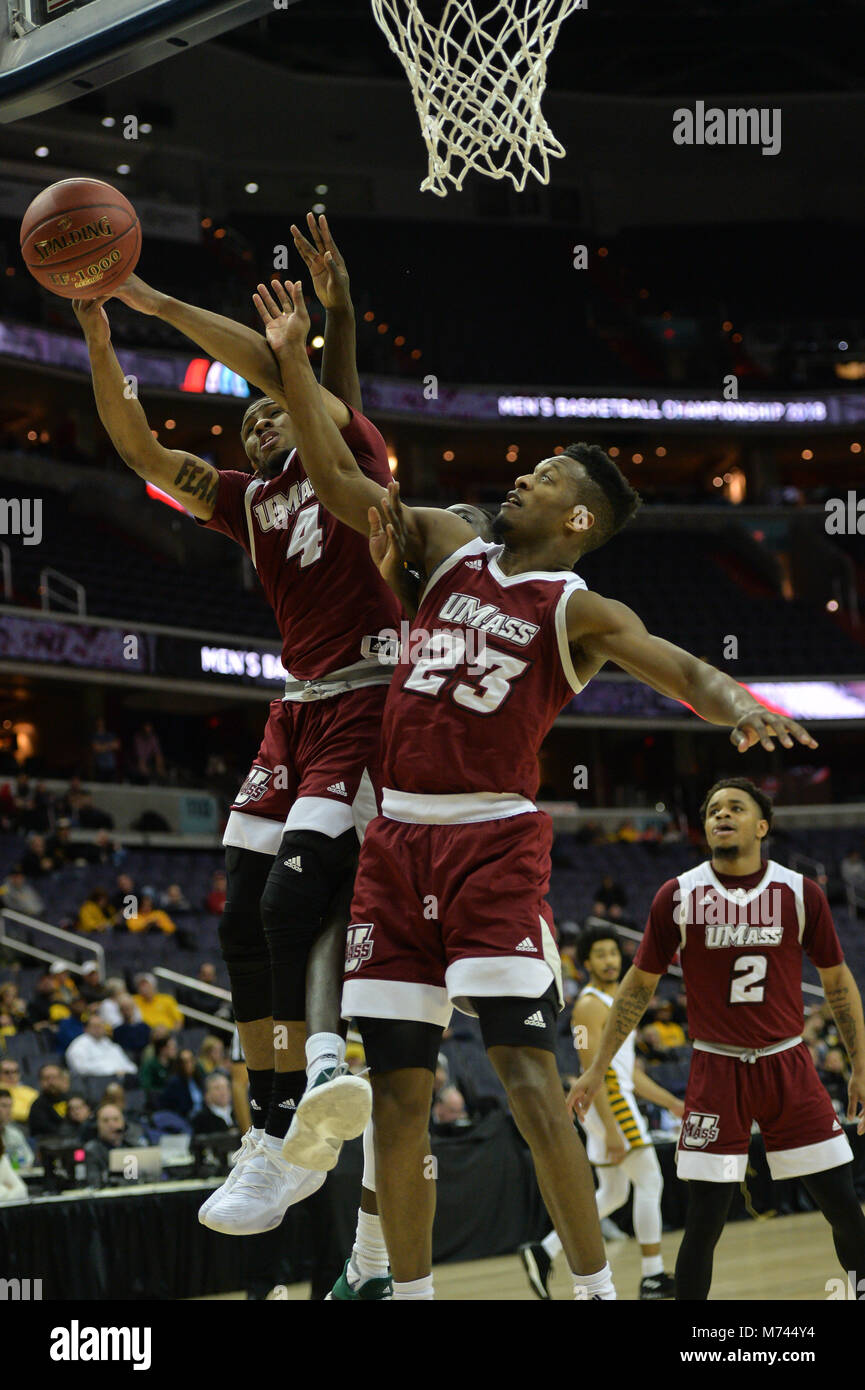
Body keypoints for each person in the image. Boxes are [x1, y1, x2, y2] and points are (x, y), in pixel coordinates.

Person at [255, 273, 820, 1300]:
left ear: (578, 518)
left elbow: (677, 666)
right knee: (397, 1096)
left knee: (526, 1083)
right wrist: (296, 357)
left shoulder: (577, 607)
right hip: (395, 846)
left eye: (548, 474)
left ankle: (597, 1292)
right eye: (530, 465)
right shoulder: (442, 547)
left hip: (489, 844)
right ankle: (411, 1294)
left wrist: (733, 702)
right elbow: (339, 482)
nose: (523, 477)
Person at [79, 214, 399, 1238]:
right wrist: (97, 335)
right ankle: (269, 1139)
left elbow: (289, 372)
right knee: (237, 919)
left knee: (294, 899)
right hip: (293, 714)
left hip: (366, 696)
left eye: (278, 406)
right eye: (250, 417)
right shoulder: (247, 502)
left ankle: (322, 1069)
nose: (264, 418)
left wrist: (153, 300)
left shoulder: (346, 455)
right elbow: (136, 445)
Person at [571, 778, 865, 1302]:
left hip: (787, 1065)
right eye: (712, 810)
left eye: (735, 808)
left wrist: (860, 1066)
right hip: (715, 1070)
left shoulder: (800, 892)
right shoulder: (677, 895)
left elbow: (838, 982)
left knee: (842, 1203)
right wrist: (596, 1069)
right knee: (705, 1221)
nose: (721, 816)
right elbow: (638, 988)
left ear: (761, 826)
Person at [519, 925, 682, 1301]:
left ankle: (543, 1250)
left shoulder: (612, 1001)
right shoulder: (590, 1006)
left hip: (612, 1100)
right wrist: (609, 1128)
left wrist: (670, 1103)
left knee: (613, 1193)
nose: (609, 960)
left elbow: (631, 1072)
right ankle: (653, 1276)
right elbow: (595, 1072)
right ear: (586, 962)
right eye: (600, 954)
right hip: (610, 1104)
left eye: (613, 953)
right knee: (651, 1182)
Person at [84, 1102, 149, 1188]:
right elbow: (94, 1182)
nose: (111, 1125)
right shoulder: (92, 1150)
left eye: (116, 1119)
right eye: (105, 1121)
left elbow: (149, 1178)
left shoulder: (134, 1147)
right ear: (97, 1125)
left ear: (123, 1123)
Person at [65, 1014, 137, 1080]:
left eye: (101, 1026)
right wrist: (113, 1071)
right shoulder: (79, 1045)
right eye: (95, 1026)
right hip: (94, 1082)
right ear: (86, 1029)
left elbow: (129, 1065)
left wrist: (127, 1071)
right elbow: (81, 1068)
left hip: (118, 1079)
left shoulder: (108, 1043)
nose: (98, 1029)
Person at [26, 1063, 72, 1140]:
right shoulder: (37, 1106)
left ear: (62, 1079)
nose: (51, 1082)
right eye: (46, 1078)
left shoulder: (72, 1099)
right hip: (49, 1145)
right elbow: (47, 1131)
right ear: (40, 1082)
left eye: (54, 1077)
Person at [158, 1049, 206, 1119]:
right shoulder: (174, 1083)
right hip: (184, 1118)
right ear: (179, 1064)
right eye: (185, 1062)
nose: (189, 1065)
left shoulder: (199, 1078)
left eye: (191, 1061)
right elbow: (169, 1106)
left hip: (202, 1116)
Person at [0, 1087, 35, 1170]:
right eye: (4, 1106)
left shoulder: (14, 1133)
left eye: (10, 1106)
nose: (8, 1111)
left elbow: (29, 1158)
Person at [0, 1057, 37, 1123]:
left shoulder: (30, 1091)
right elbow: (8, 1112)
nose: (11, 1075)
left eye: (15, 1072)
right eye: (6, 1072)